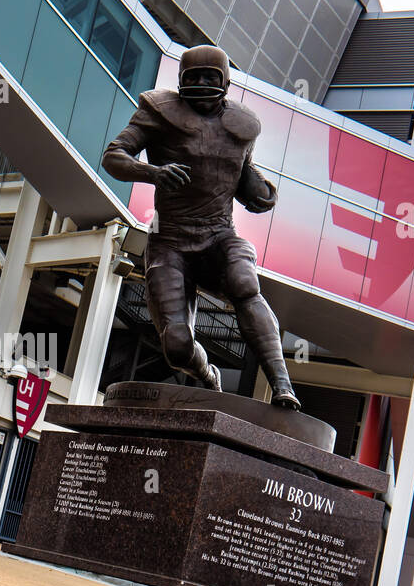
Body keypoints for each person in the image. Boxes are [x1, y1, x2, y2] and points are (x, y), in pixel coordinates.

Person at [101, 44, 300, 411]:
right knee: (176, 345)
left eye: (211, 77)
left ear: (225, 82)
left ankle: (282, 384)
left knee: (245, 284)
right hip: (170, 241)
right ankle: (207, 373)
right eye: (194, 77)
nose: (202, 83)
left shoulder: (241, 126)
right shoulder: (159, 113)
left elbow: (242, 179)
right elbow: (114, 155)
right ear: (180, 81)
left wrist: (259, 190)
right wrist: (153, 173)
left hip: (218, 235)